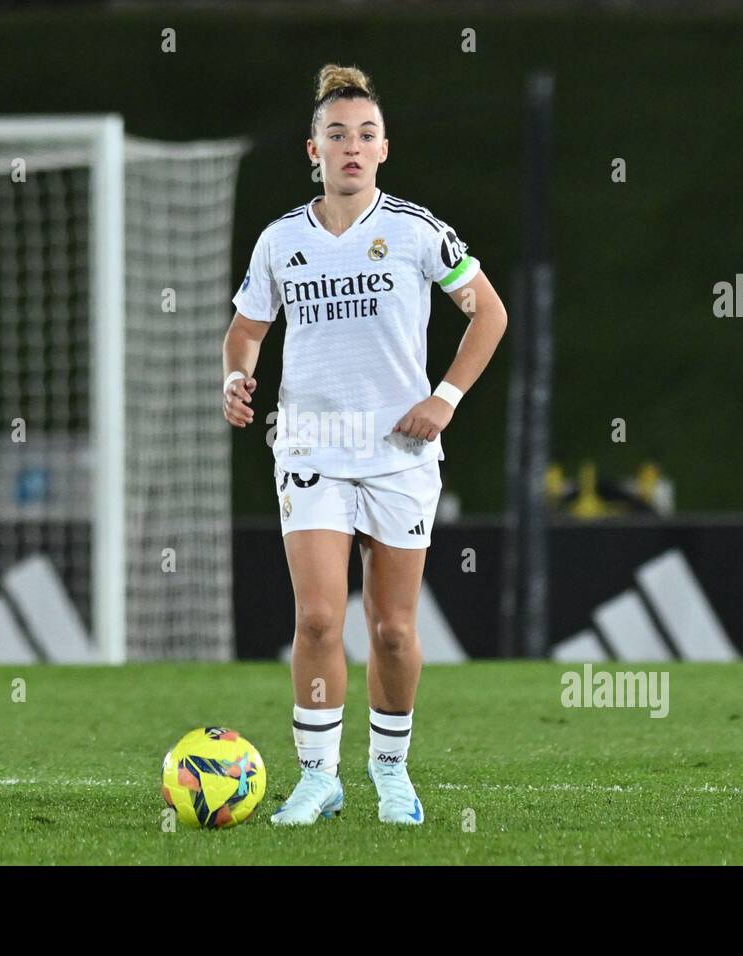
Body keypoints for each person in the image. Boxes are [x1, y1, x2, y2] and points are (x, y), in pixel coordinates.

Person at [222, 63, 508, 825]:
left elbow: (489, 315)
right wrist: (236, 378)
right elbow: (247, 330)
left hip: (398, 454)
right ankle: (317, 776)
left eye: (367, 134)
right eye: (337, 135)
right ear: (311, 151)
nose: (353, 146)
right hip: (312, 445)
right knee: (318, 619)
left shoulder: (415, 231)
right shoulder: (282, 240)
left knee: (391, 628)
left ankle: (390, 771)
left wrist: (443, 399)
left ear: (385, 149)